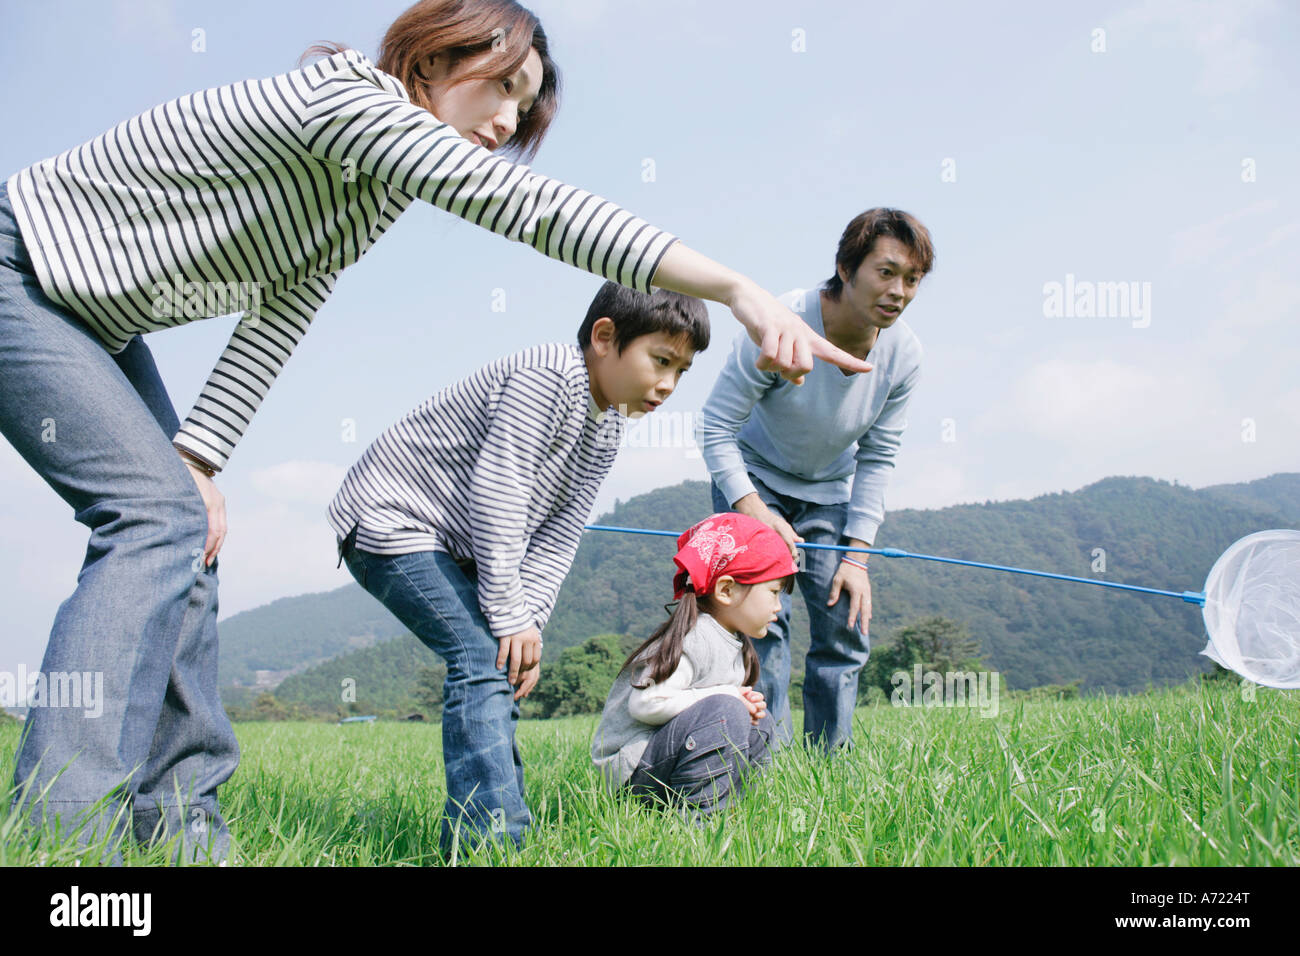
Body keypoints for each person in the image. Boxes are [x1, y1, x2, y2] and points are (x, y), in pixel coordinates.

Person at [0, 0, 871, 860]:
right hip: (23, 269)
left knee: (189, 535)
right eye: (503, 90)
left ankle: (181, 826)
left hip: (98, 324)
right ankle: (63, 834)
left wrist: (197, 455)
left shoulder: (366, 196)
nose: (506, 121)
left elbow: (283, 309)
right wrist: (738, 290)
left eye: (525, 112)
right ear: (432, 61)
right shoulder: (345, 105)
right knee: (157, 524)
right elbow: (529, 209)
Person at [331, 280, 707, 851]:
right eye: (661, 361)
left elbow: (559, 532)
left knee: (496, 661)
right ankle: (493, 845)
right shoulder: (548, 375)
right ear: (604, 336)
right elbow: (499, 491)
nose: (667, 385)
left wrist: (528, 626)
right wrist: (507, 618)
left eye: (681, 371)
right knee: (481, 655)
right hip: (391, 520)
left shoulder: (606, 428)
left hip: (457, 542)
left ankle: (497, 830)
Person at [697, 208, 935, 752]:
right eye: (886, 272)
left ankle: (832, 765)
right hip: (753, 483)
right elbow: (714, 427)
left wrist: (857, 558)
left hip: (829, 492)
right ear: (846, 269)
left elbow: (878, 456)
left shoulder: (904, 356)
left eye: (913, 279)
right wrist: (753, 509)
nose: (898, 291)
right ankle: (765, 765)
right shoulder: (779, 322)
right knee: (765, 629)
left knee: (844, 627)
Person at [591, 512, 797, 817]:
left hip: (667, 759)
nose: (778, 607)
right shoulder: (696, 637)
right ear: (726, 590)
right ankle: (700, 819)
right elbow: (646, 704)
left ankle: (741, 808)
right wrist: (728, 697)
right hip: (633, 773)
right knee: (727, 712)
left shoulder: (735, 642)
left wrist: (739, 703)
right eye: (774, 592)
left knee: (759, 721)